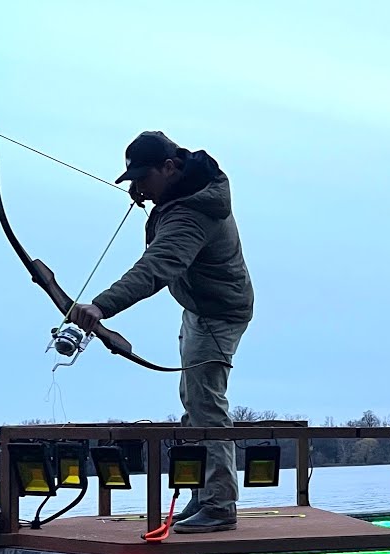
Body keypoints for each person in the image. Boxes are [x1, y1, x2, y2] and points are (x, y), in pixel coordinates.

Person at [68, 130, 254, 533]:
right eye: (132, 180)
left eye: (143, 179)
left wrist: (101, 306)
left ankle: (220, 505)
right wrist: (155, 198)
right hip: (200, 307)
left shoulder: (192, 213)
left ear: (169, 168)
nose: (138, 189)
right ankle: (204, 494)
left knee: (206, 405)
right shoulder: (187, 188)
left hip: (218, 312)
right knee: (193, 399)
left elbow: (156, 267)